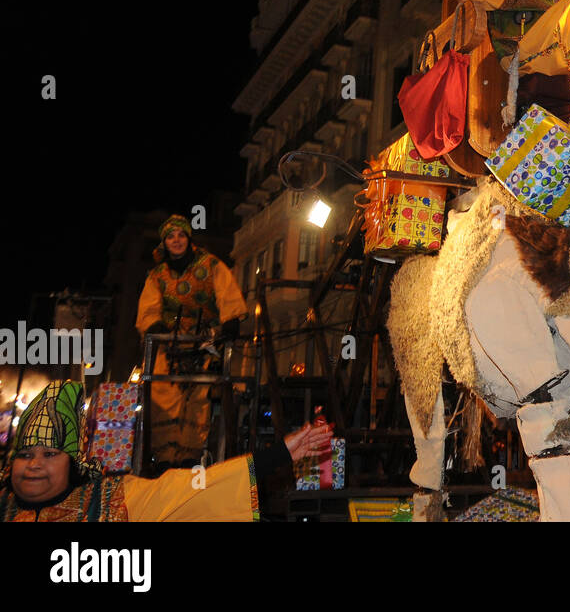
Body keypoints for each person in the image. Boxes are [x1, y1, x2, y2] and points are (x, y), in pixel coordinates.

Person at [2, 380, 332, 522]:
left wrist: (275, 456)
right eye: (26, 454)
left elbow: (196, 487)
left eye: (49, 455)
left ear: (73, 463)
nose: (34, 465)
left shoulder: (113, 501)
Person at [135, 213, 248, 470]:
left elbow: (228, 294)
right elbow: (148, 310)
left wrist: (231, 320)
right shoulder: (157, 275)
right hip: (167, 346)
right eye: (171, 236)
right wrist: (157, 328)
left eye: (181, 235)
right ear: (164, 242)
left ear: (188, 238)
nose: (176, 240)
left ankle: (190, 455)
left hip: (202, 345)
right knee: (163, 396)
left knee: (198, 399)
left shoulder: (211, 265)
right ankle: (164, 457)